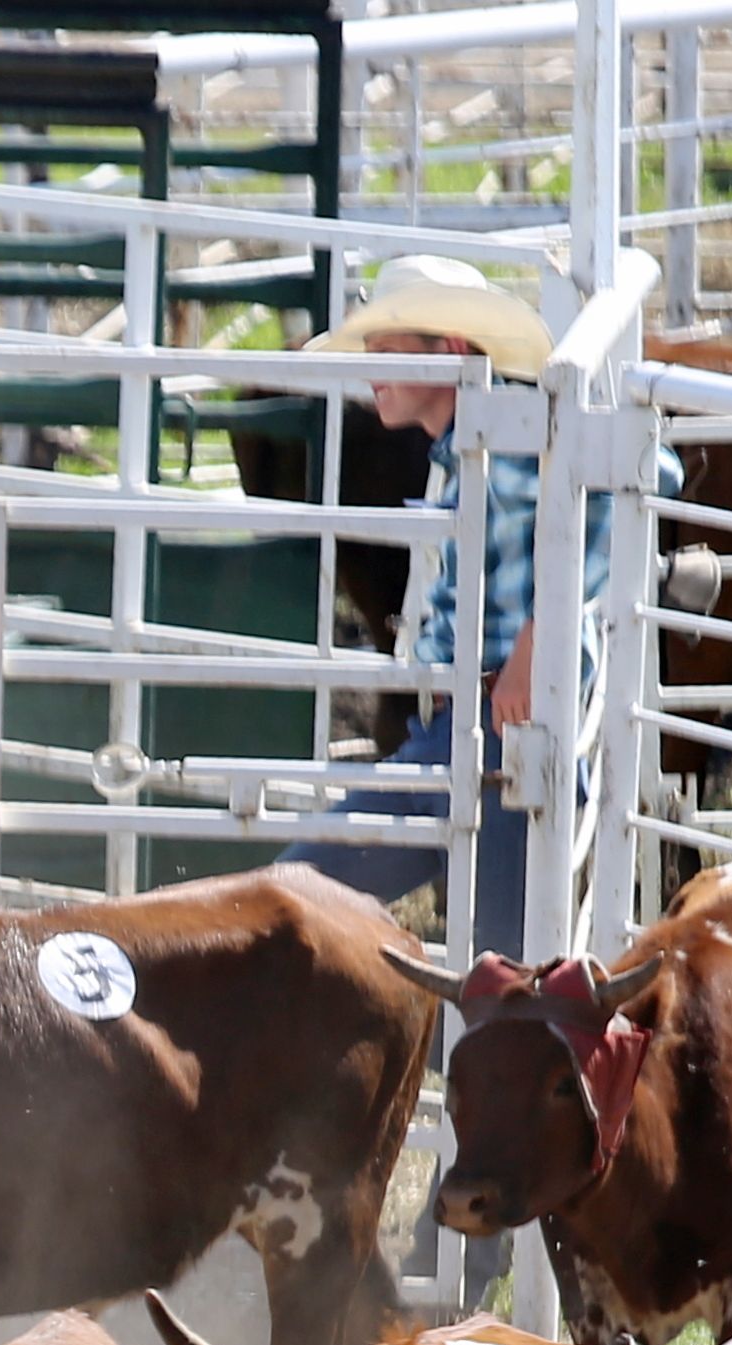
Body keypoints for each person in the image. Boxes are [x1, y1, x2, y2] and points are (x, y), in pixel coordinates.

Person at [267, 257, 599, 961]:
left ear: (449, 351)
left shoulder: (504, 435)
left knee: (292, 902)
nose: (370, 371)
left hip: (498, 724)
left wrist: (537, 648)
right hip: (475, 723)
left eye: (387, 351)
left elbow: (622, 490)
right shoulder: (471, 442)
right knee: (500, 959)